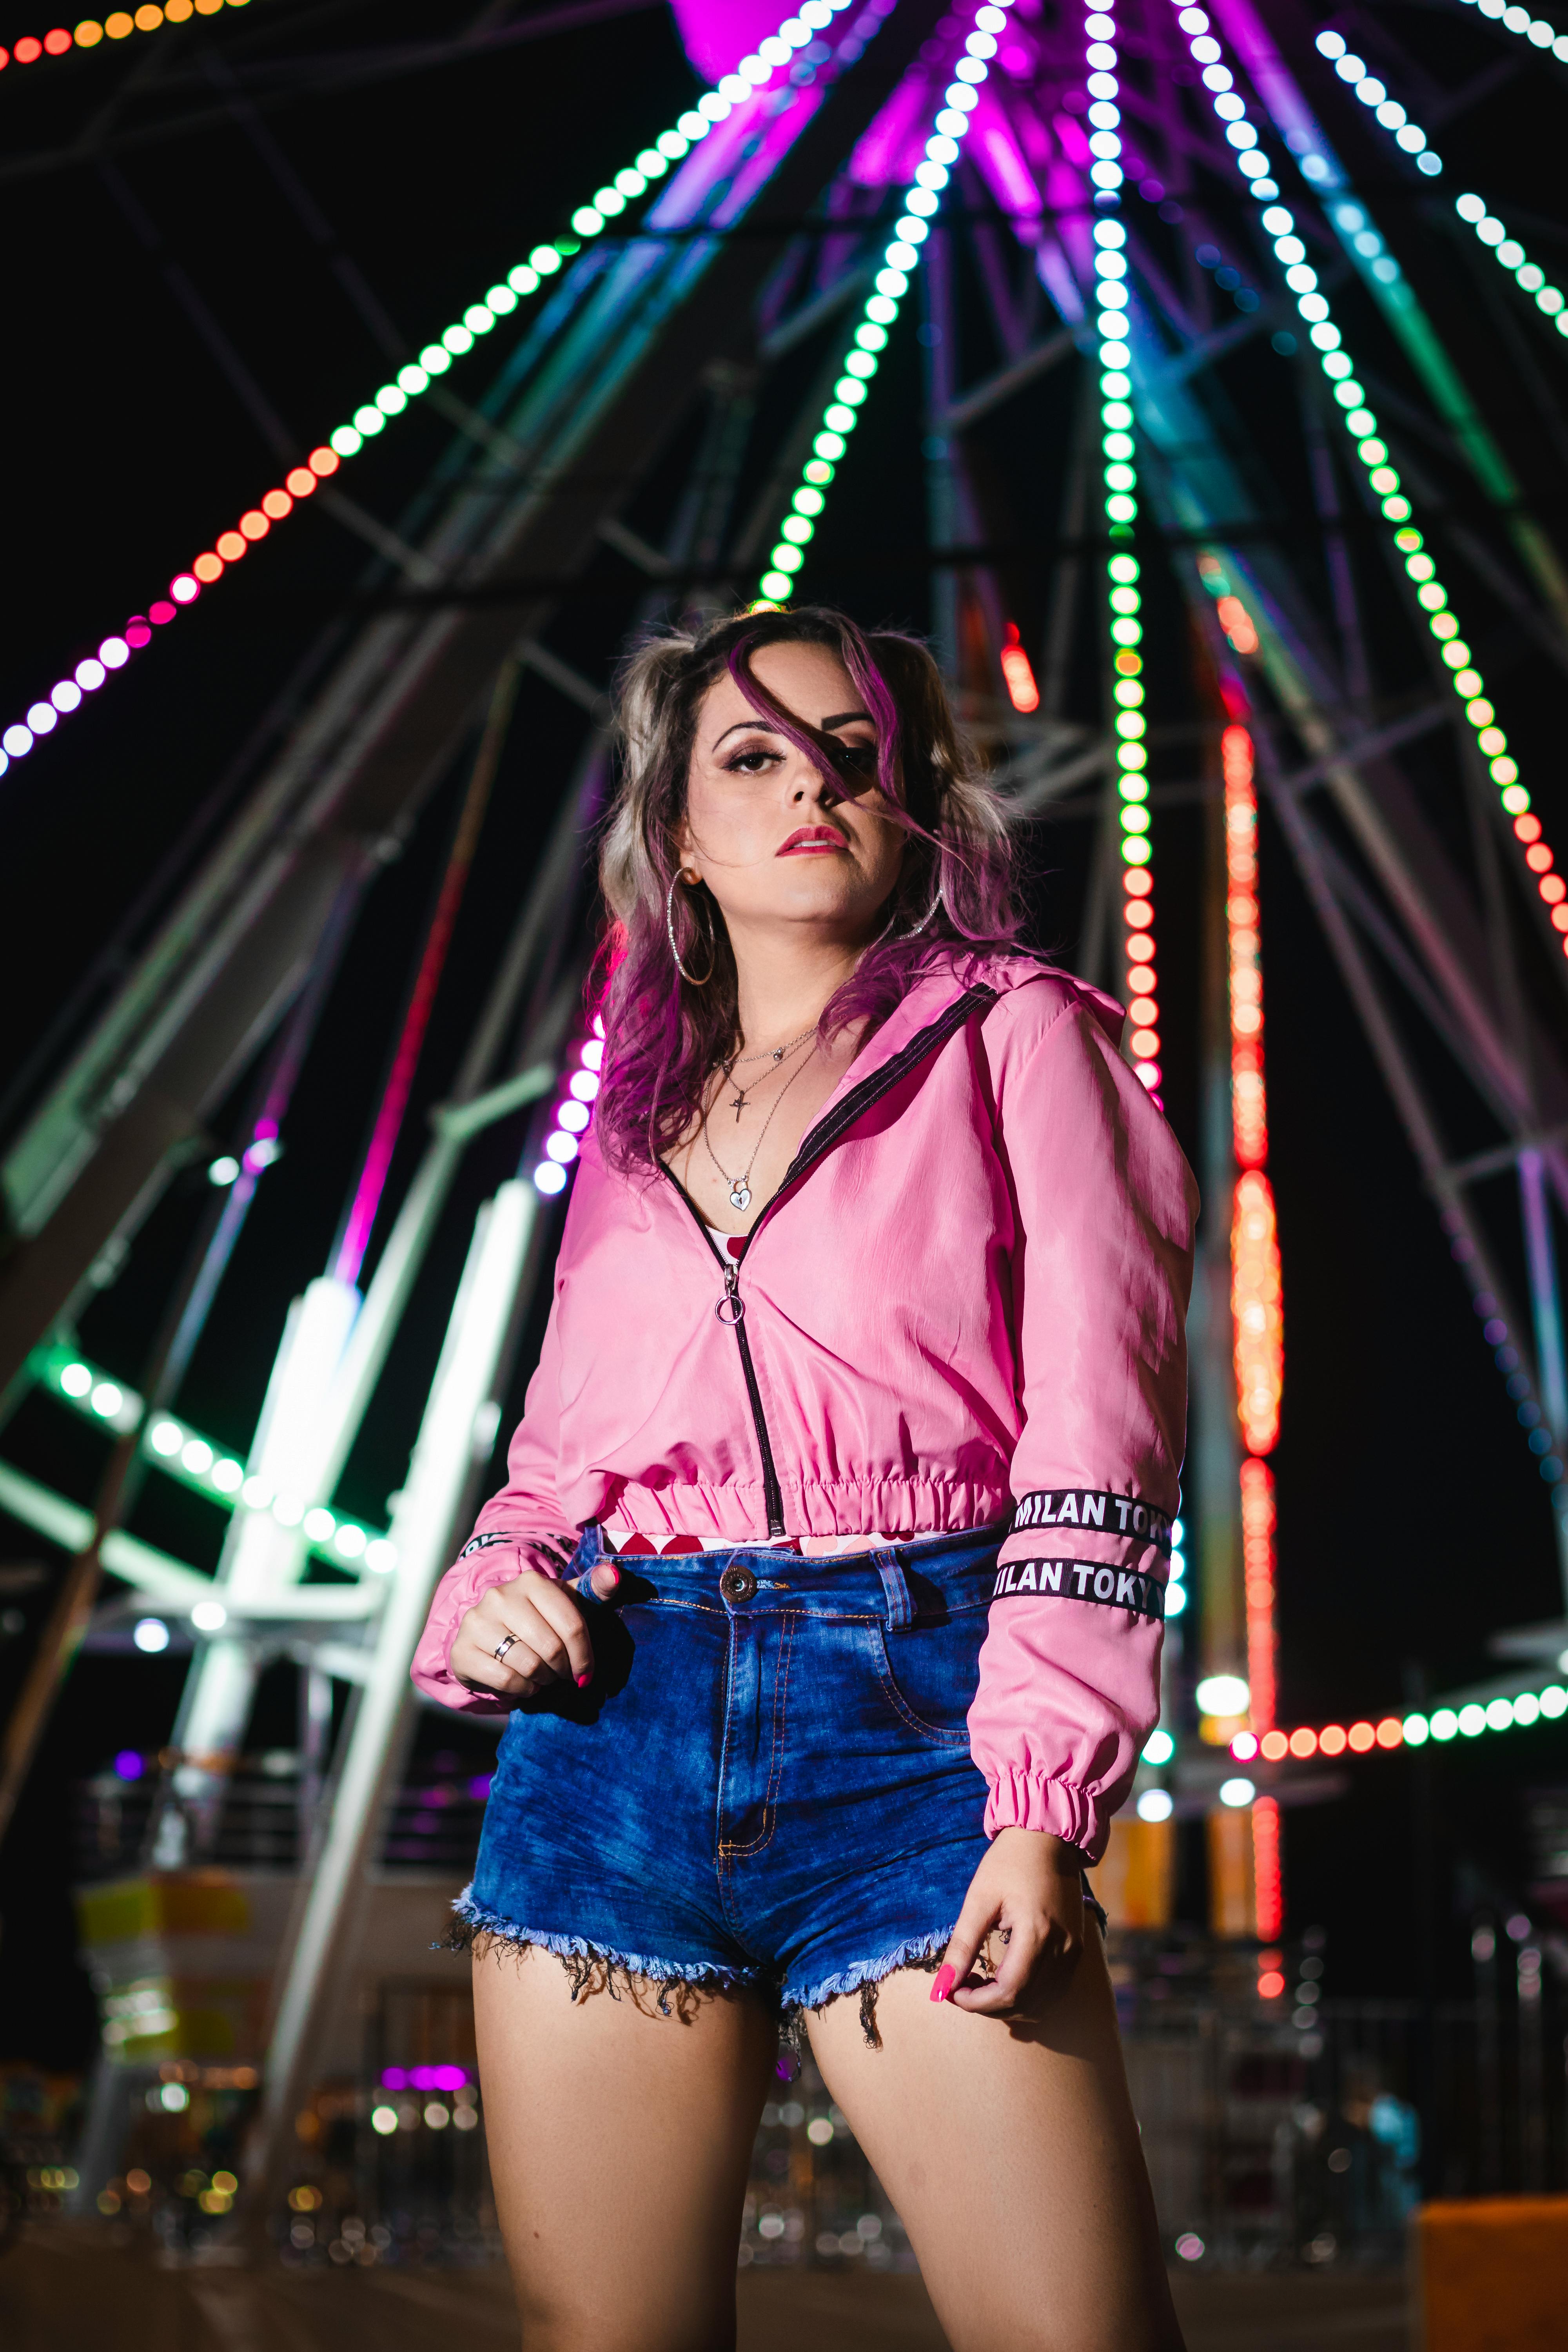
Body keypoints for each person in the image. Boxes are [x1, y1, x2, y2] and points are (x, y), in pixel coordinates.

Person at [412, 606, 1195, 2352]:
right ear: (677, 835)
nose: (812, 790)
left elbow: (1103, 1440)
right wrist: (493, 1596)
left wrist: (1040, 1804)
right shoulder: (631, 1124)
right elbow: (556, 1464)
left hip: (918, 1742)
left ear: (917, 800)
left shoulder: (1023, 1042)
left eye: (856, 755)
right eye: (754, 760)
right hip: (611, 1746)